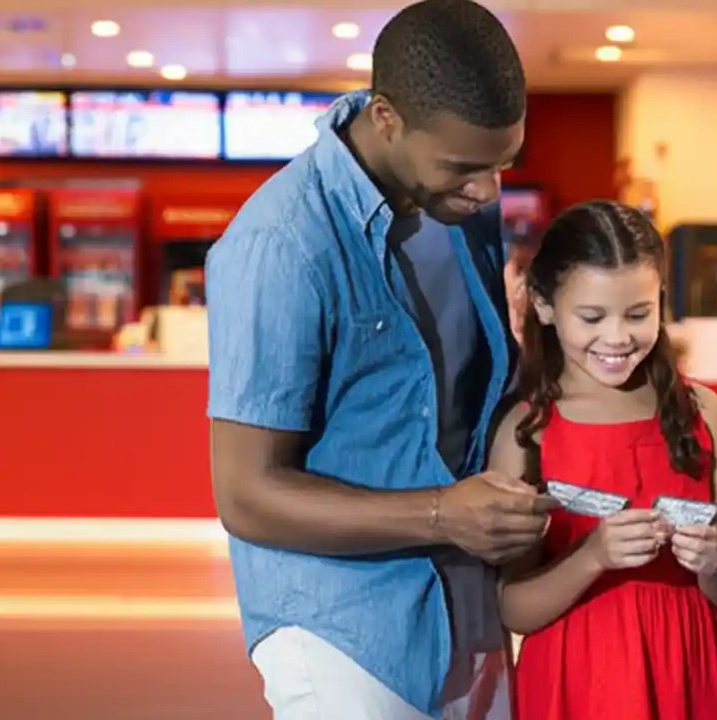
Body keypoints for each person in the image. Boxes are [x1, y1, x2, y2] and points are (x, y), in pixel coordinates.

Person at [205, 1, 559, 718]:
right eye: (464, 167)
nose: (487, 190)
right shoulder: (281, 243)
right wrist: (442, 514)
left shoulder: (461, 205)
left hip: (466, 608)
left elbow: (475, 394)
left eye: (501, 164)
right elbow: (245, 494)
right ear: (386, 118)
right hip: (342, 630)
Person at [488, 200, 717, 719]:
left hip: (687, 670)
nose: (617, 337)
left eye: (638, 314)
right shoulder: (527, 429)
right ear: (544, 305)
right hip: (577, 677)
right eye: (591, 317)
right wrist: (593, 556)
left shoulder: (702, 412)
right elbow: (513, 608)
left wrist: (713, 562)